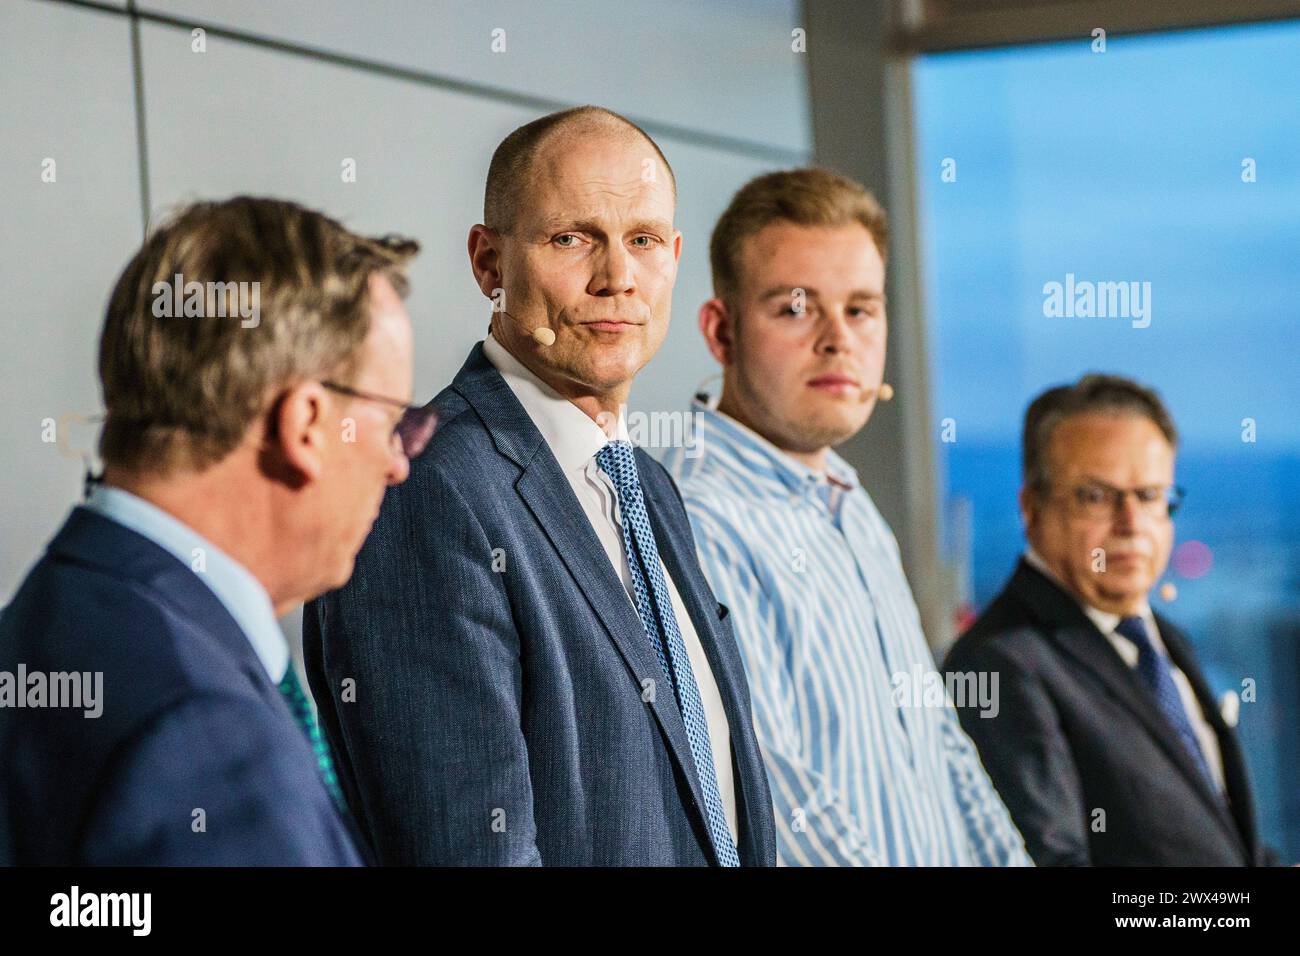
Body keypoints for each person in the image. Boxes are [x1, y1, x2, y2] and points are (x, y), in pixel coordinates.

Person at [304, 107, 776, 866]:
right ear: (489, 263)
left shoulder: (648, 485)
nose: (618, 276)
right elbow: (467, 852)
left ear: (675, 258)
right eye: (572, 238)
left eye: (644, 241)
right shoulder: (423, 488)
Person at [0, 197, 430, 865]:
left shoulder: (45, 622)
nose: (398, 463)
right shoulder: (203, 732)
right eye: (393, 421)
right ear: (306, 425)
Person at [664, 168, 1030, 866]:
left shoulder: (853, 505)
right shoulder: (699, 521)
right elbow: (767, 793)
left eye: (861, 309)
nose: (839, 340)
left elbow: (943, 746)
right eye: (796, 308)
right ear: (720, 331)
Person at [944, 374, 1276, 865]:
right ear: (1031, 507)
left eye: (1149, 496)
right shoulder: (996, 665)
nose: (1131, 524)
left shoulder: (1165, 640)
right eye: (1096, 497)